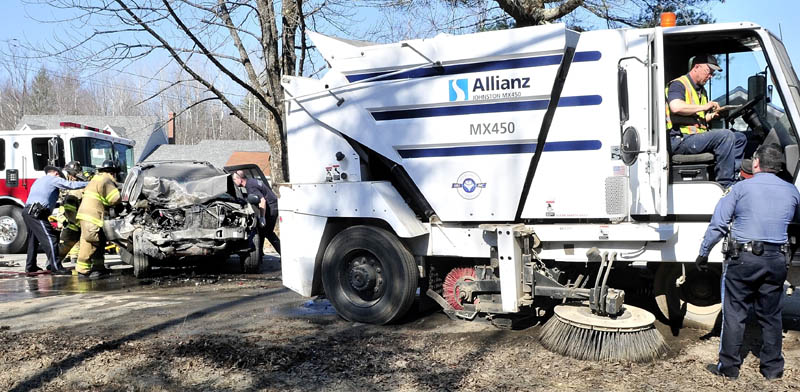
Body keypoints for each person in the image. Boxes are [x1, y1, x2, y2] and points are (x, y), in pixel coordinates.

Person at [695, 143, 800, 380]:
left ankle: (729, 369)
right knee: (771, 315)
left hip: (744, 259)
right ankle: (773, 370)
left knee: (735, 313)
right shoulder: (792, 191)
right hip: (776, 259)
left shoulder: (740, 188)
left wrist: (703, 253)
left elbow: (719, 224)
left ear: (756, 163)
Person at [666, 53, 747, 188]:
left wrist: (713, 116)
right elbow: (675, 107)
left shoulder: (701, 91)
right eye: (709, 72)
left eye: (713, 73)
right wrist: (704, 107)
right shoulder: (678, 85)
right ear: (696, 67)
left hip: (695, 138)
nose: (710, 76)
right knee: (725, 135)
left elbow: (697, 118)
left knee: (739, 137)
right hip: (679, 139)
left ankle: (735, 176)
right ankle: (725, 185)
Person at [23, 165, 88, 274]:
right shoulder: (53, 179)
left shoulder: (39, 181)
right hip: (37, 213)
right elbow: (70, 185)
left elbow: (45, 197)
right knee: (51, 238)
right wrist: (89, 183)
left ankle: (30, 266)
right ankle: (56, 268)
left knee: (33, 240)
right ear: (56, 174)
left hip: (27, 211)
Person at [75, 160, 121, 279]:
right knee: (91, 241)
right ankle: (83, 270)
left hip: (86, 214)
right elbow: (114, 198)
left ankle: (98, 267)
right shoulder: (106, 180)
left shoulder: (97, 178)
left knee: (97, 241)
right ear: (113, 173)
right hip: (93, 216)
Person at [232, 170, 281, 255]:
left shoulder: (250, 186)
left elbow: (262, 201)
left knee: (268, 232)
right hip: (273, 206)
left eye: (234, 180)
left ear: (240, 179)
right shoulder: (252, 181)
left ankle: (284, 254)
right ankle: (260, 254)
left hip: (271, 207)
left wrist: (262, 217)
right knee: (261, 231)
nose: (234, 182)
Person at [55, 161, 88, 267]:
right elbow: (68, 209)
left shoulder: (75, 188)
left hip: (75, 221)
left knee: (67, 243)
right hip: (75, 221)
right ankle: (54, 262)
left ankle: (54, 262)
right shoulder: (79, 187)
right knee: (68, 243)